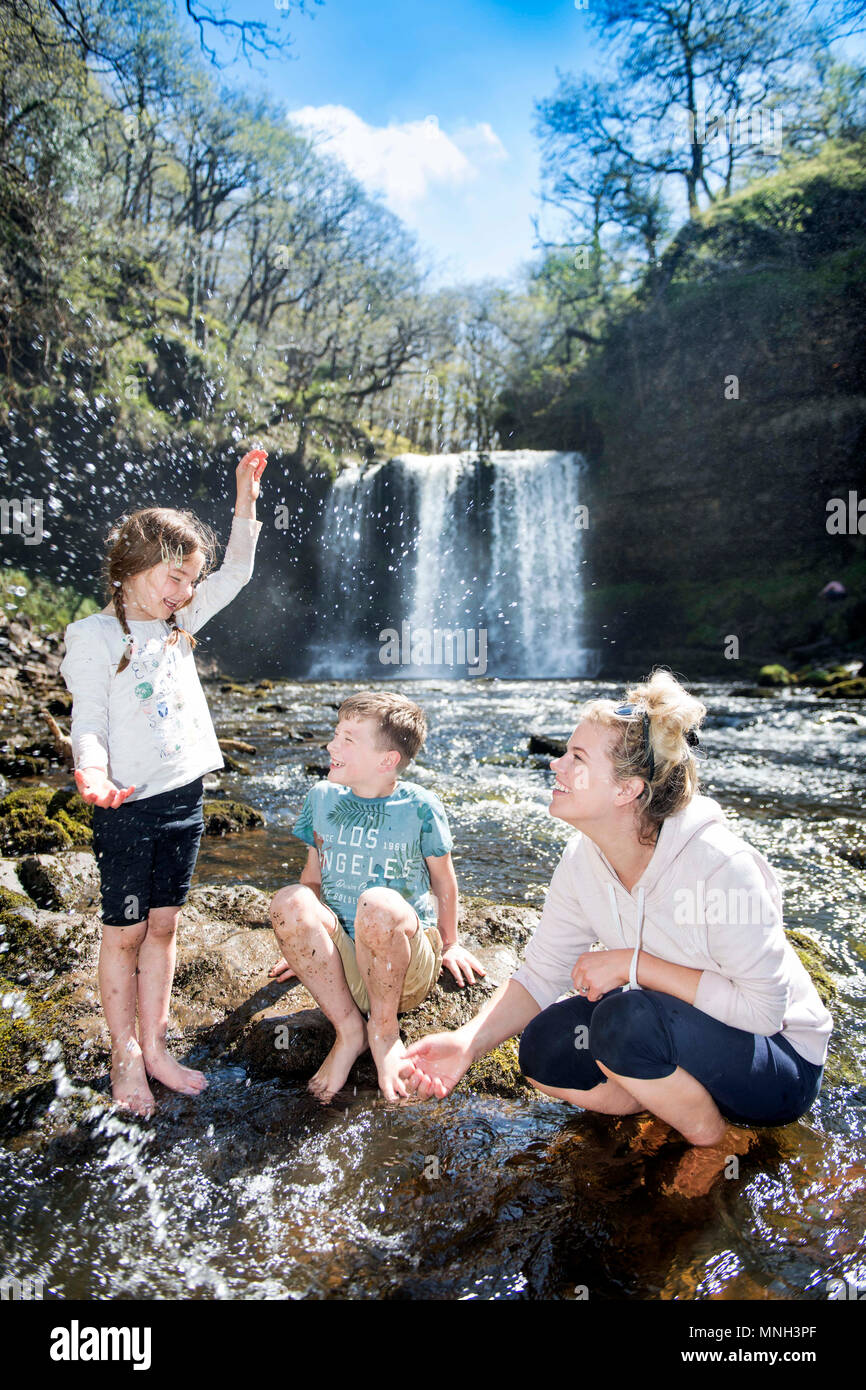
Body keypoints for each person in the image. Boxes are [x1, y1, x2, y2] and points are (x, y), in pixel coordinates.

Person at [406, 670, 832, 1176]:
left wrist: (633, 964)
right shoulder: (582, 858)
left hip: (776, 1063)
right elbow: (542, 975)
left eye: (576, 758)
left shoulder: (720, 865)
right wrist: (466, 1045)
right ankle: (670, 1103)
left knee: (623, 1022)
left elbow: (763, 1013)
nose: (555, 764)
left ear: (627, 789)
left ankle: (714, 1142)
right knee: (545, 1049)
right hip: (676, 1029)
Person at [59, 449, 268, 1117]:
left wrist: (245, 502)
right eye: (173, 579)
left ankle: (155, 1046)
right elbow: (87, 717)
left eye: (189, 583)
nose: (183, 593)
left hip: (184, 801)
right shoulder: (91, 636)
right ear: (131, 568)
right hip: (124, 807)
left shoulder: (180, 624)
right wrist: (90, 769)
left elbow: (237, 570)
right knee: (123, 933)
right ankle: (122, 1054)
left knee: (165, 926)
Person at [268, 689, 486, 1103]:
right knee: (289, 900)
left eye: (348, 738)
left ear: (388, 760)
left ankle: (384, 1031)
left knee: (378, 902)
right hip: (348, 965)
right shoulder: (322, 798)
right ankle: (350, 1031)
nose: (332, 744)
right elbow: (313, 875)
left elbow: (445, 881)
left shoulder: (421, 805)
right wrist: (306, 945)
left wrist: (451, 942)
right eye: (336, 733)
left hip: (401, 968)